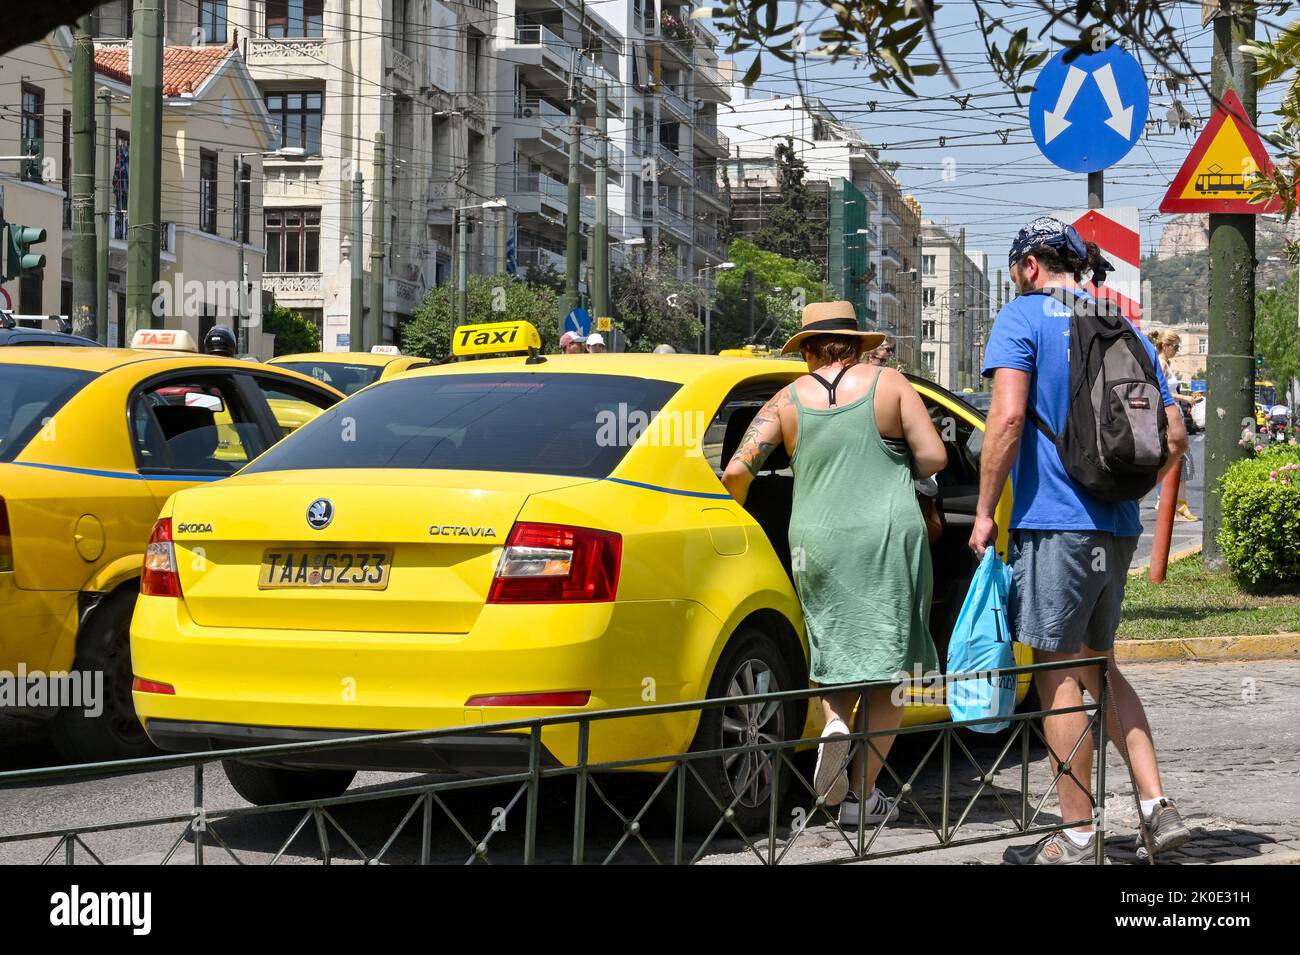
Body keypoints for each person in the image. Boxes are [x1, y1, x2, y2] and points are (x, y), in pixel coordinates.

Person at [973, 217, 1191, 865]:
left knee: (1057, 670)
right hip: (1117, 525)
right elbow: (1175, 435)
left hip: (1052, 524)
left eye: (1017, 272)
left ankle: (1075, 836)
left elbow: (1008, 417)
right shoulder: (1125, 326)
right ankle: (1157, 806)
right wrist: (1134, 494)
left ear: (1031, 266)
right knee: (1101, 664)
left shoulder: (1022, 318)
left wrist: (985, 510)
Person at [721, 301, 947, 828]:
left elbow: (737, 470)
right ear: (858, 343)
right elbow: (935, 457)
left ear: (805, 349)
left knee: (834, 644)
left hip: (816, 539)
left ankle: (834, 727)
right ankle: (861, 799)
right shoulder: (889, 385)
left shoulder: (786, 399)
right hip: (888, 535)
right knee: (891, 664)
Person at [1149, 330, 1200, 521]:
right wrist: (1184, 398)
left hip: (1171, 412)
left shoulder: (1166, 364)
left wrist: (1184, 398)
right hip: (1168, 414)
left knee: (1173, 458)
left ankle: (1172, 502)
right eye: (1176, 346)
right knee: (1177, 456)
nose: (1178, 350)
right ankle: (1174, 503)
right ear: (1166, 345)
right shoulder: (1161, 364)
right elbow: (1160, 392)